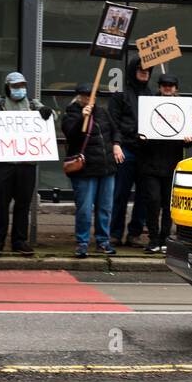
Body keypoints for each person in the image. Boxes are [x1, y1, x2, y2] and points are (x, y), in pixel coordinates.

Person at [0, 67, 51, 256]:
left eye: (22, 86)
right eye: (15, 86)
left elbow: (48, 115)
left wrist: (47, 112)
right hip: (3, 163)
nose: (19, 89)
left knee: (23, 204)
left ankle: (19, 241)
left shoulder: (33, 104)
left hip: (26, 165)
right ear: (8, 87)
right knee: (1, 204)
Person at [136, 73, 192, 253]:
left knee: (168, 204)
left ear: (176, 88)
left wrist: (190, 137)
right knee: (153, 202)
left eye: (170, 85)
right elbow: (139, 134)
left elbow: (190, 137)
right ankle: (153, 239)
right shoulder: (148, 106)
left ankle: (165, 238)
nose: (167, 88)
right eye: (164, 84)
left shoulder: (184, 108)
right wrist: (141, 137)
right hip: (150, 164)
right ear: (159, 87)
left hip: (172, 163)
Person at [62, 82, 124, 258]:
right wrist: (82, 118)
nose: (89, 99)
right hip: (85, 170)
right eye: (85, 96)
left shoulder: (103, 112)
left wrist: (117, 145)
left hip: (106, 168)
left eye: (91, 95)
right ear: (79, 97)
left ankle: (103, 241)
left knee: (105, 207)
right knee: (84, 208)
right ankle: (82, 243)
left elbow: (115, 131)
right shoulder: (71, 114)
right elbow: (71, 135)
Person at [108, 53, 152, 247]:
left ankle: (134, 233)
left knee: (143, 196)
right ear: (133, 71)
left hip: (146, 152)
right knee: (120, 194)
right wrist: (116, 144)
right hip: (126, 149)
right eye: (140, 70)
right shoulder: (120, 95)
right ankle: (115, 233)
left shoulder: (153, 96)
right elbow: (113, 122)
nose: (144, 73)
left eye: (147, 71)